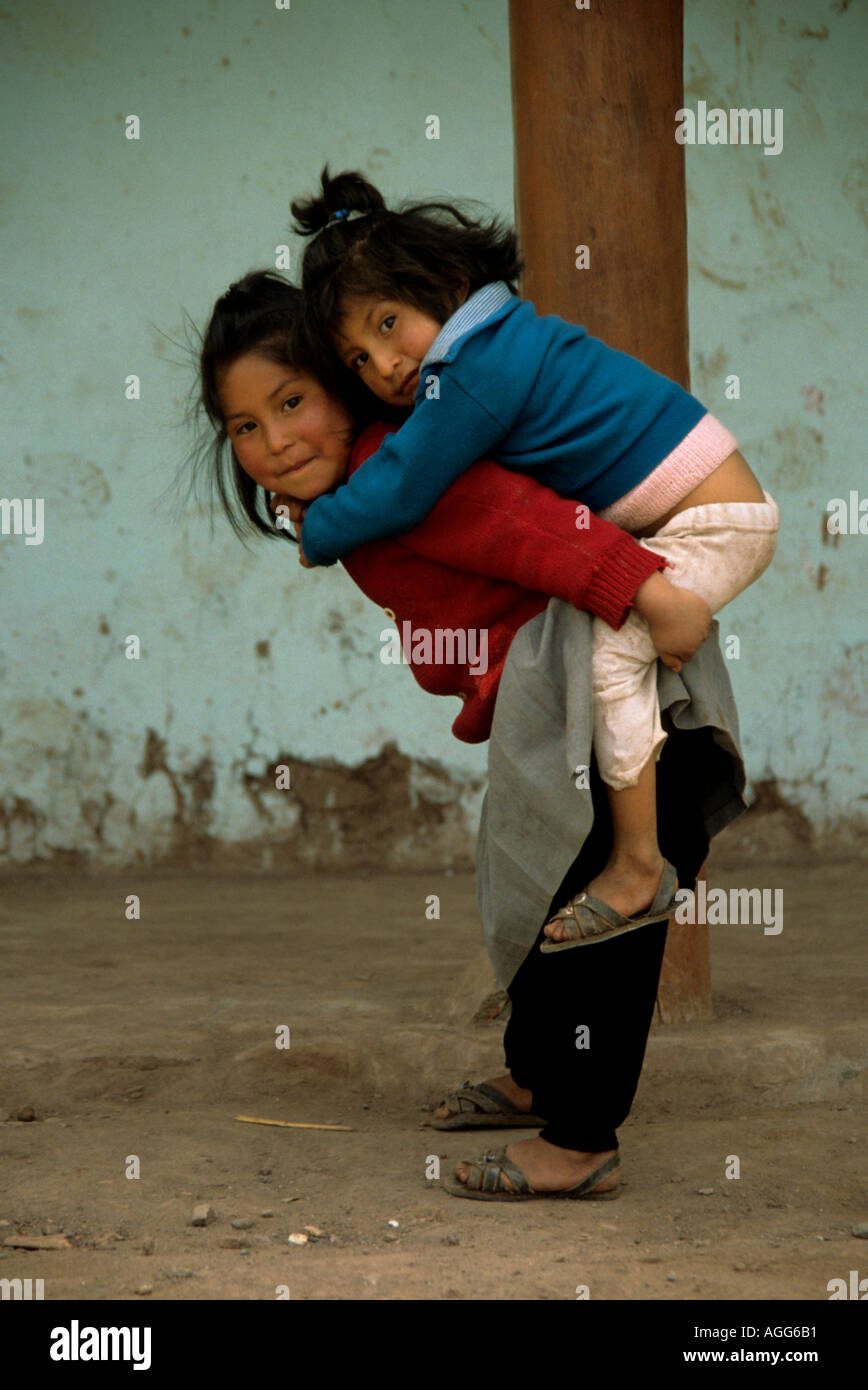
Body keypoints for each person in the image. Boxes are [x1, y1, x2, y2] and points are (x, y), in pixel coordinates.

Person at [189, 270, 747, 1201]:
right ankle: (537, 1074)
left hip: (630, 707)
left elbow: (539, 530)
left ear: (348, 388)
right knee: (525, 892)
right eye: (245, 426)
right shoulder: (368, 496)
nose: (274, 441)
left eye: (293, 402)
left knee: (595, 929)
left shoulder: (409, 474)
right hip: (562, 711)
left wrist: (648, 594)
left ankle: (580, 1139)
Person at [288, 167, 779, 951]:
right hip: (687, 514)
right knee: (606, 647)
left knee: (609, 659)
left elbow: (406, 485)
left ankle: (637, 868)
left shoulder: (475, 371)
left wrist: (318, 529)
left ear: (448, 284)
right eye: (355, 360)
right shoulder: (497, 342)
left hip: (715, 522)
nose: (381, 366)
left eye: (387, 325)